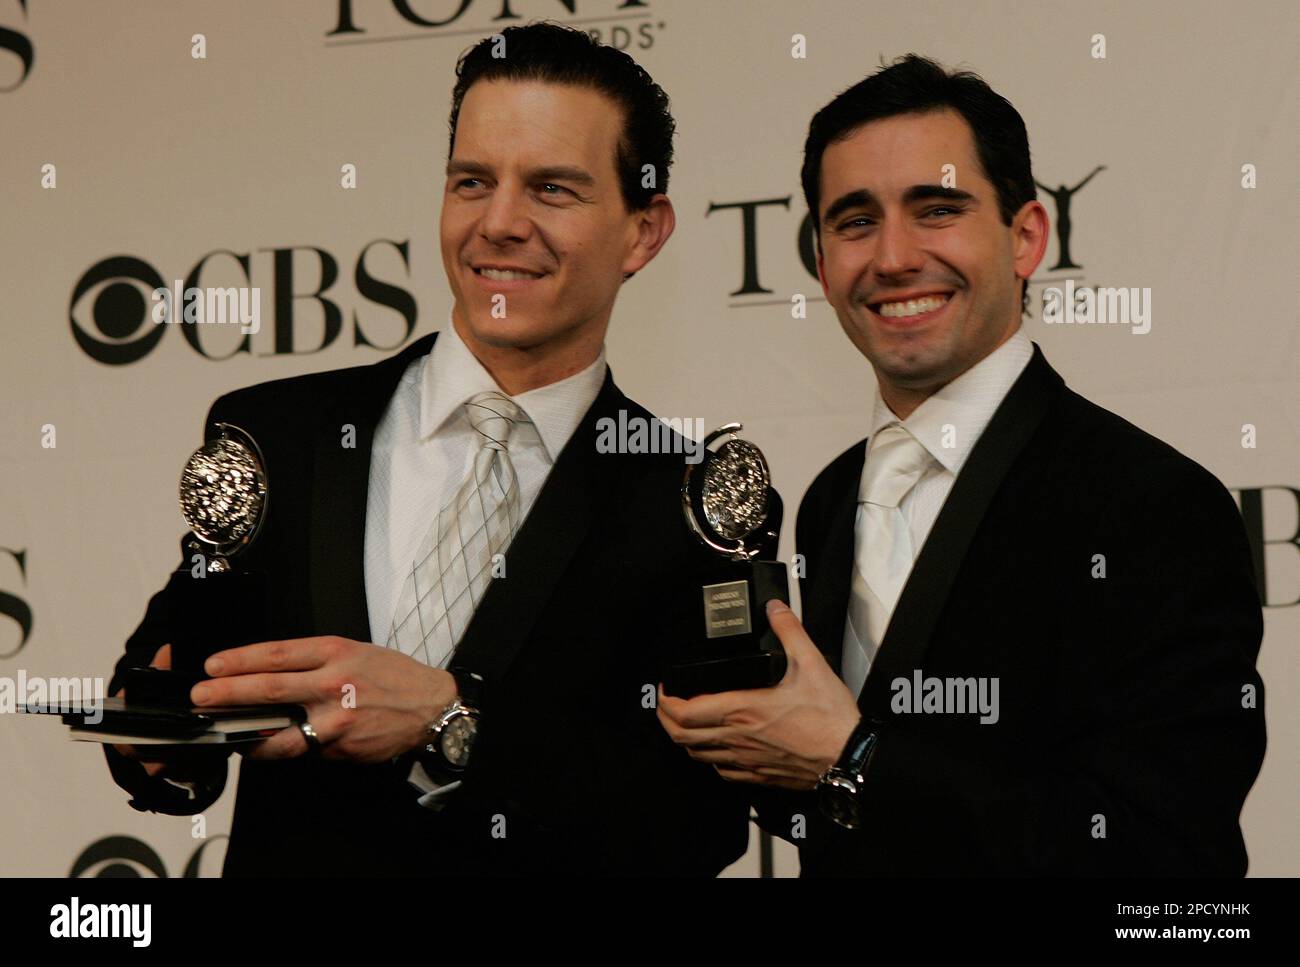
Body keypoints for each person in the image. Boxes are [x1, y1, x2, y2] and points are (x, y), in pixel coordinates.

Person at [105, 22, 773, 877]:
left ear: (643, 232)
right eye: (472, 181)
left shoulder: (687, 499)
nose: (499, 223)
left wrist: (451, 723)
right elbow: (170, 674)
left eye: (553, 190)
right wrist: (158, 737)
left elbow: (695, 824)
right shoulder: (279, 435)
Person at [657, 54, 1265, 876]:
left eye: (937, 209)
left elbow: (1162, 855)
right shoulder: (832, 497)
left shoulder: (1152, 505)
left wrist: (852, 753)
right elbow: (840, 809)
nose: (895, 256)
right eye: (855, 220)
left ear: (1025, 237)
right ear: (822, 260)